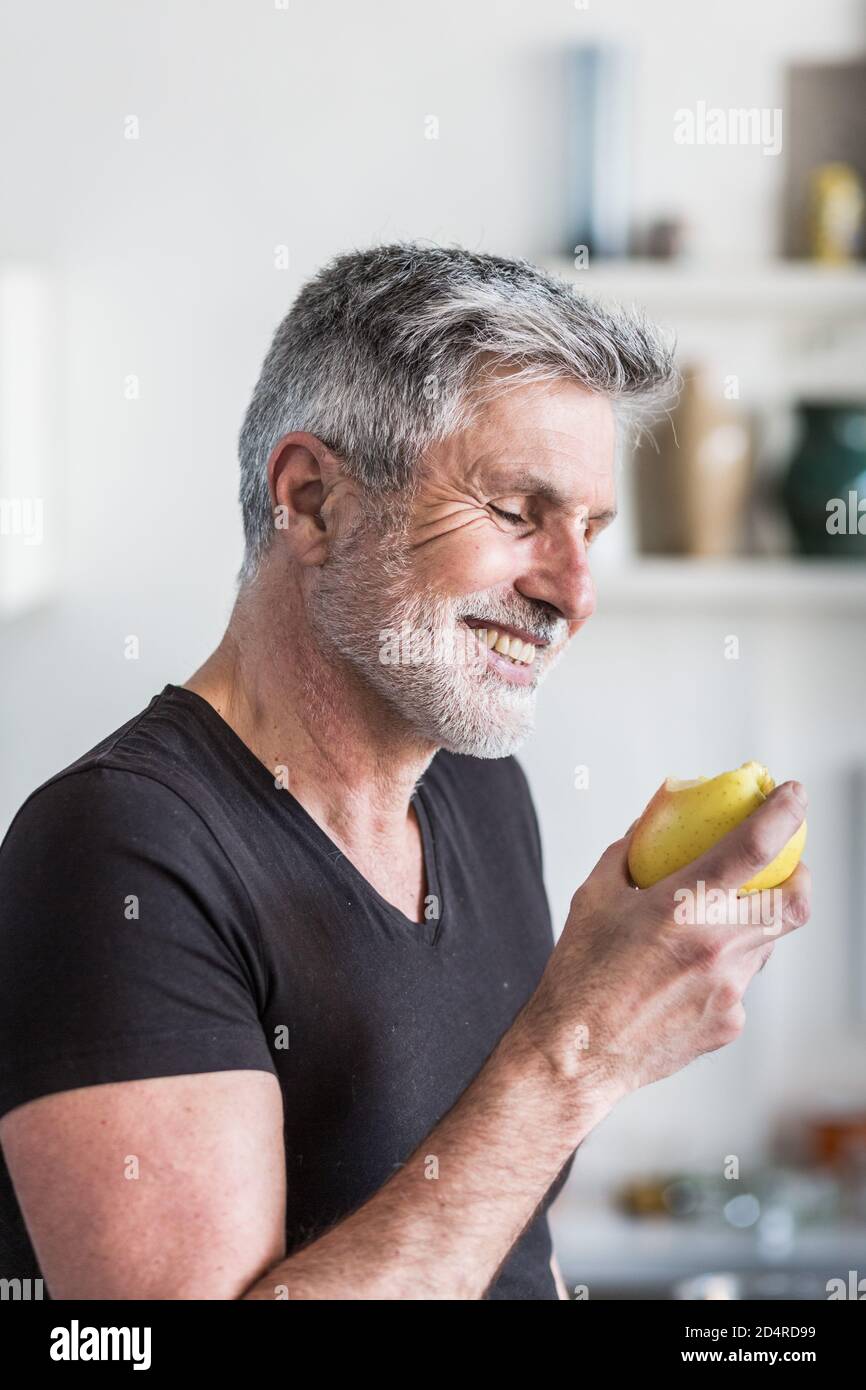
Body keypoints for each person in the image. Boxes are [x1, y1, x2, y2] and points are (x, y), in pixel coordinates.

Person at [0, 244, 810, 1300]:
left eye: (591, 531)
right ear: (312, 500)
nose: (573, 592)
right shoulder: (114, 852)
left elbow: (511, 1244)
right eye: (518, 512)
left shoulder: (476, 789)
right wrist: (580, 1051)